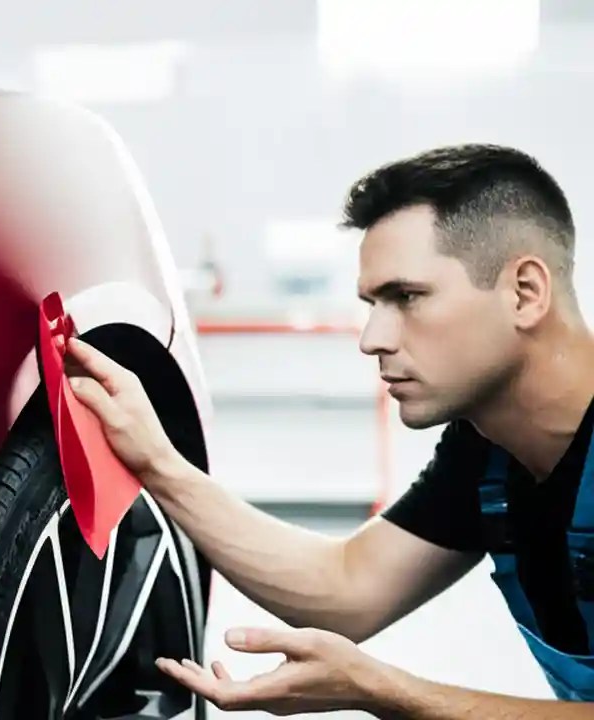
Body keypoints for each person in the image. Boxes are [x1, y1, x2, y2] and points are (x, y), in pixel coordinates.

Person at [65, 143, 594, 717]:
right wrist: (158, 464)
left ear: (525, 293)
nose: (373, 338)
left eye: (407, 297)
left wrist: (383, 690)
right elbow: (345, 588)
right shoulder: (488, 453)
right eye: (372, 302)